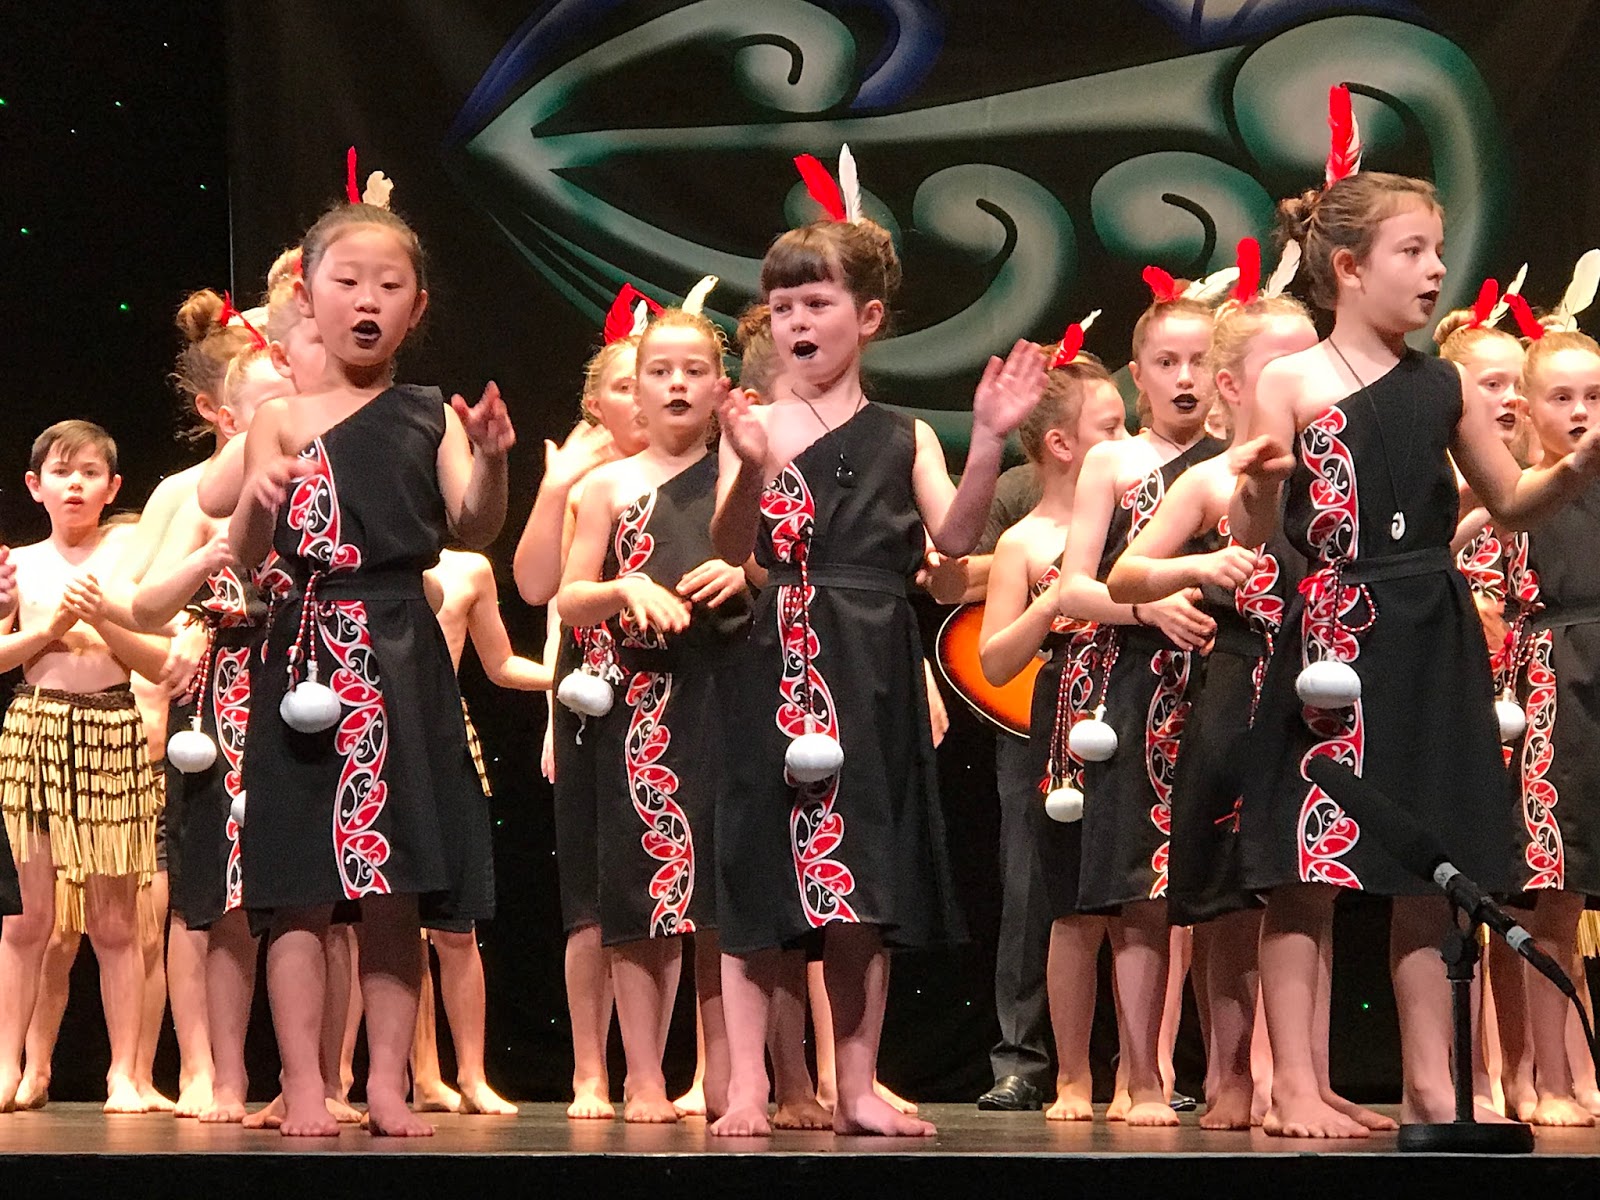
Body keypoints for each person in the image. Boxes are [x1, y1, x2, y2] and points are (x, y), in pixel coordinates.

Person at [1228, 170, 1600, 1135]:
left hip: (1429, 629)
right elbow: (1259, 524)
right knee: (1308, 865)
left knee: (1431, 868)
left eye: (1438, 251)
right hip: (1329, 637)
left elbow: (1511, 499)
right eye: (1413, 252)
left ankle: (1434, 1085)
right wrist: (1261, 491)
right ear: (1349, 267)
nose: (1436, 270)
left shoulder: (1439, 383)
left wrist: (1575, 468)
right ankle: (1298, 1086)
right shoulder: (1290, 380)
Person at [709, 172, 1046, 1137]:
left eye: (816, 305)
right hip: (773, 655)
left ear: (868, 316)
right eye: (782, 308)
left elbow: (955, 540)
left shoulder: (901, 434)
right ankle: (746, 1087)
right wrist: (754, 468)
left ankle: (857, 1086)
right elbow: (732, 550)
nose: (796, 324)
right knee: (758, 867)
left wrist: (985, 441)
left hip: (871, 658)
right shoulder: (757, 426)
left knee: (863, 877)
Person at [229, 201, 513, 1136]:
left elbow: (472, 525)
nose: (367, 300)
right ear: (307, 296)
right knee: (299, 884)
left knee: (397, 884)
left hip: (398, 649)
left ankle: (387, 1084)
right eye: (347, 281)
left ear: (415, 307)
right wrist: (258, 505)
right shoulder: (278, 420)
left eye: (389, 287)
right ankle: (306, 1083)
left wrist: (499, 463)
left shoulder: (430, 414)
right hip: (303, 648)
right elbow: (242, 558)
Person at [1108, 288, 1319, 1128]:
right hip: (1240, 681)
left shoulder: (1340, 463)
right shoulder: (1208, 479)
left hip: (1325, 681)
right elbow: (1126, 574)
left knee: (1314, 884)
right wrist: (1194, 572)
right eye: (1286, 364)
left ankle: (1309, 1077)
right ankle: (1234, 1076)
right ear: (1233, 386)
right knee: (1229, 892)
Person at [559, 306, 749, 1123]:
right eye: (657, 372)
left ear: (720, 387)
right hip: (640, 708)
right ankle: (641, 1073)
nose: (675, 385)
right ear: (632, 390)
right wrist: (623, 587)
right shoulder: (605, 486)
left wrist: (748, 577)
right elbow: (568, 598)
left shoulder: (749, 475)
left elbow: (793, 569)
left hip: (730, 695)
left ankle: (725, 1074)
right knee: (644, 895)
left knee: (721, 894)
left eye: (692, 371)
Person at [1054, 278, 1223, 1128]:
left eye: (1200, 361)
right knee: (1142, 888)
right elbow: (1073, 588)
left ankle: (1239, 1076)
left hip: (1227, 675)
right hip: (1133, 678)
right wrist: (1143, 606)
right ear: (1137, 375)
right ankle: (1143, 1077)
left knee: (1229, 885)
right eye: (1167, 362)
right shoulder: (1113, 463)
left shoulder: (1241, 460)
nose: (1185, 376)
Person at [0, 421, 170, 1113]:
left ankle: (124, 1074)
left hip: (111, 731)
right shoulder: (18, 565)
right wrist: (41, 630)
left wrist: (105, 617)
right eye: (62, 473)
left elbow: (163, 664)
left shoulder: (128, 567)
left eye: (91, 472)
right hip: (35, 729)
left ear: (113, 488)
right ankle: (8, 1065)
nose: (77, 483)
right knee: (25, 919)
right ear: (35, 487)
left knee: (115, 924)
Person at [979, 350, 1129, 1120]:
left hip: (1137, 715)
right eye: (1112, 427)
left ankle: (1150, 1068)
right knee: (1047, 893)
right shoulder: (1023, 540)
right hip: (1056, 728)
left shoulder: (1144, 517)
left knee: (1146, 896)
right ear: (1063, 445)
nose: (1128, 437)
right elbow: (996, 657)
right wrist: (1054, 601)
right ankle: (1044, 1065)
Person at [517, 324, 644, 1120]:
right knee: (594, 899)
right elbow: (542, 593)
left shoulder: (708, 470)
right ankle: (592, 1070)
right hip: (594, 696)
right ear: (597, 405)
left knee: (687, 896)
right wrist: (554, 487)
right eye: (627, 384)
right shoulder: (587, 479)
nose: (646, 396)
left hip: (682, 689)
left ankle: (686, 1072)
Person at [1500, 324, 1600, 1126]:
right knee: (1554, 891)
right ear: (1529, 409)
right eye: (1561, 398)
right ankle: (1552, 1074)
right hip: (1558, 680)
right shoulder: (1518, 494)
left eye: (1593, 397)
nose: (1578, 412)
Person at [410, 545, 548, 1116]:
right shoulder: (370, 554)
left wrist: (563, 677)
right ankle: (390, 1077)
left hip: (445, 741)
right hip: (372, 732)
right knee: (382, 929)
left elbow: (499, 663)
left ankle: (471, 1076)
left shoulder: (469, 568)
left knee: (456, 926)